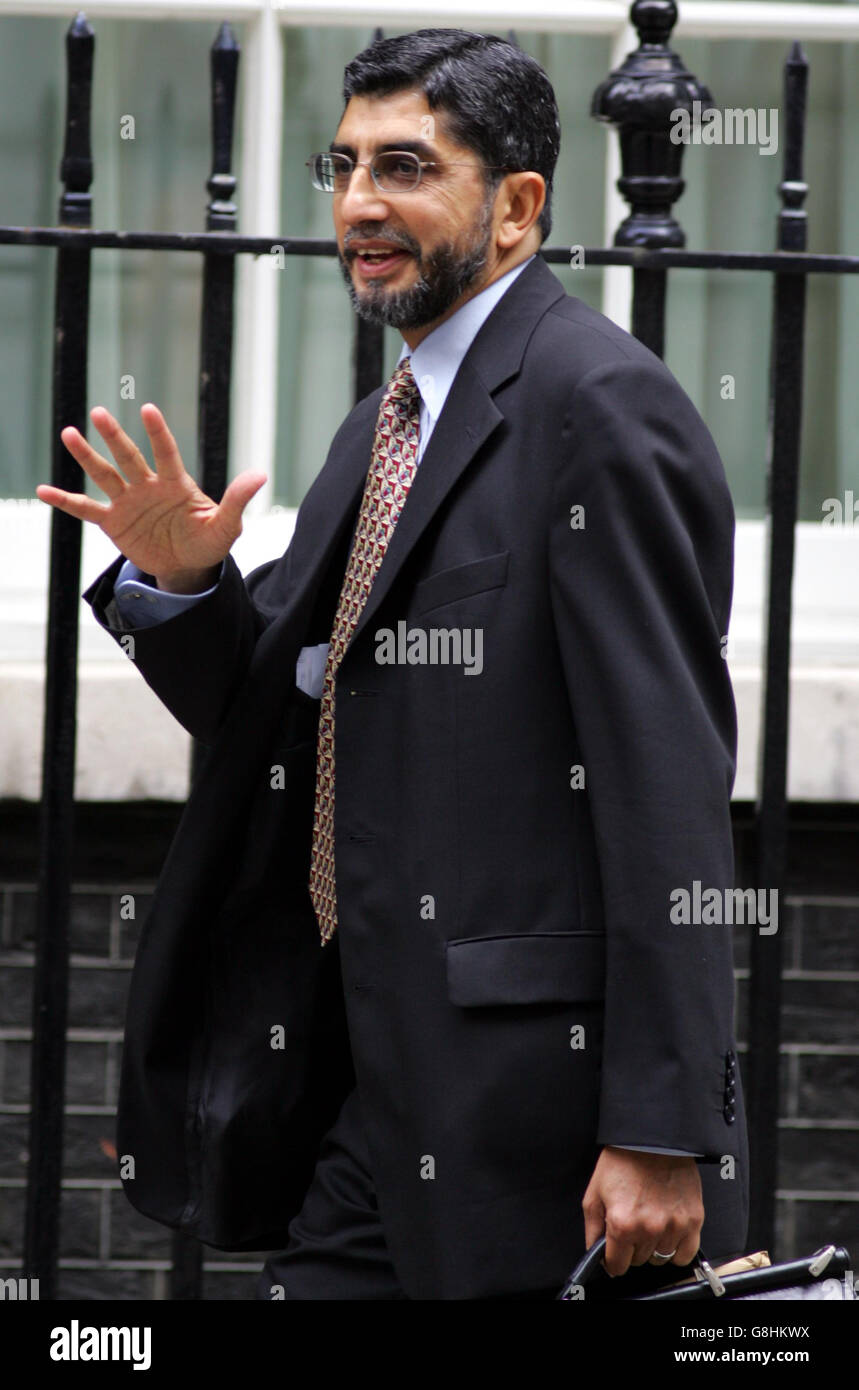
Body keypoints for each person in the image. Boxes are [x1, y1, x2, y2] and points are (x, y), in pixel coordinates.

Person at [37, 29, 749, 1300]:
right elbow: (293, 717)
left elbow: (667, 785)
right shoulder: (386, 423)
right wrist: (184, 582)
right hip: (369, 1078)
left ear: (517, 207)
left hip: (534, 1121)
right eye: (346, 163)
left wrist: (660, 1125)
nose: (359, 202)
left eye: (408, 166)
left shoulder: (597, 406)